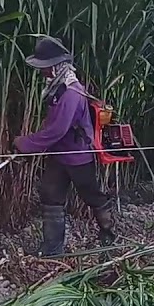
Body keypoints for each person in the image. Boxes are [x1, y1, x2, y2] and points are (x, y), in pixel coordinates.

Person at [13, 36, 117, 256]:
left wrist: (25, 143)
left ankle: (109, 237)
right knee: (50, 195)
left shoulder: (71, 93)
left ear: (55, 67)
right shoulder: (57, 87)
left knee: (92, 196)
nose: (41, 71)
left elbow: (57, 130)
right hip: (60, 155)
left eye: (44, 67)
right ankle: (52, 249)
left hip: (78, 156)